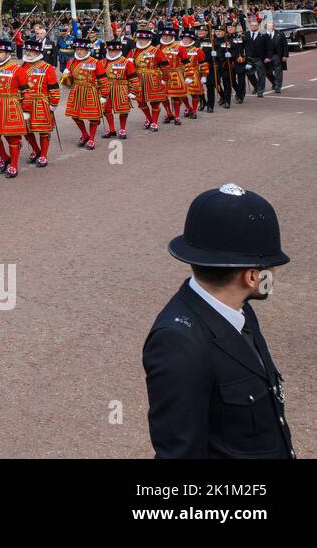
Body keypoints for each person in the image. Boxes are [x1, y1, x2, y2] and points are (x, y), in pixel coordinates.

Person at [143, 184, 294, 459]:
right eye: (271, 267)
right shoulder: (178, 344)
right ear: (251, 277)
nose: (273, 274)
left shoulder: (239, 309)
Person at [0, 39, 29, 177]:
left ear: (8, 53)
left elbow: (26, 91)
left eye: (1, 52)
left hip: (10, 105)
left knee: (13, 137)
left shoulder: (17, 70)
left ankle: (13, 165)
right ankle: (5, 157)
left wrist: (25, 109)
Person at [19, 39, 60, 165]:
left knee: (44, 130)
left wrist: (53, 103)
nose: (29, 53)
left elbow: (53, 87)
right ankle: (36, 150)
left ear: (38, 52)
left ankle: (43, 155)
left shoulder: (47, 68)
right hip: (25, 102)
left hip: (41, 102)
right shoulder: (22, 67)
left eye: (32, 51)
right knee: (26, 130)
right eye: (28, 50)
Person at [132, 29, 169, 132]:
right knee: (141, 102)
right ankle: (149, 118)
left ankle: (155, 122)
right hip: (139, 80)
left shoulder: (155, 50)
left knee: (155, 102)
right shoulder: (133, 51)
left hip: (153, 79)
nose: (141, 41)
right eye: (139, 38)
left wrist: (165, 79)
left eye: (144, 39)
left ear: (148, 39)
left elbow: (165, 65)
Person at [100, 39, 138, 138]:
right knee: (106, 110)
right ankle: (112, 129)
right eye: (110, 51)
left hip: (121, 88)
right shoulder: (102, 62)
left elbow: (133, 78)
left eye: (115, 51)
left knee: (123, 110)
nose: (112, 53)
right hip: (106, 88)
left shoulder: (126, 62)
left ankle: (122, 129)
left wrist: (134, 91)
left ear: (119, 51)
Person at [263, 19, 287, 93]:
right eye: (268, 26)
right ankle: (274, 83)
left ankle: (278, 86)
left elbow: (285, 45)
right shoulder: (263, 35)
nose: (270, 27)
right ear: (266, 27)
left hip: (277, 55)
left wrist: (285, 55)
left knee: (278, 72)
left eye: (272, 25)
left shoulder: (280, 34)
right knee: (267, 72)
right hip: (266, 56)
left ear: (274, 26)